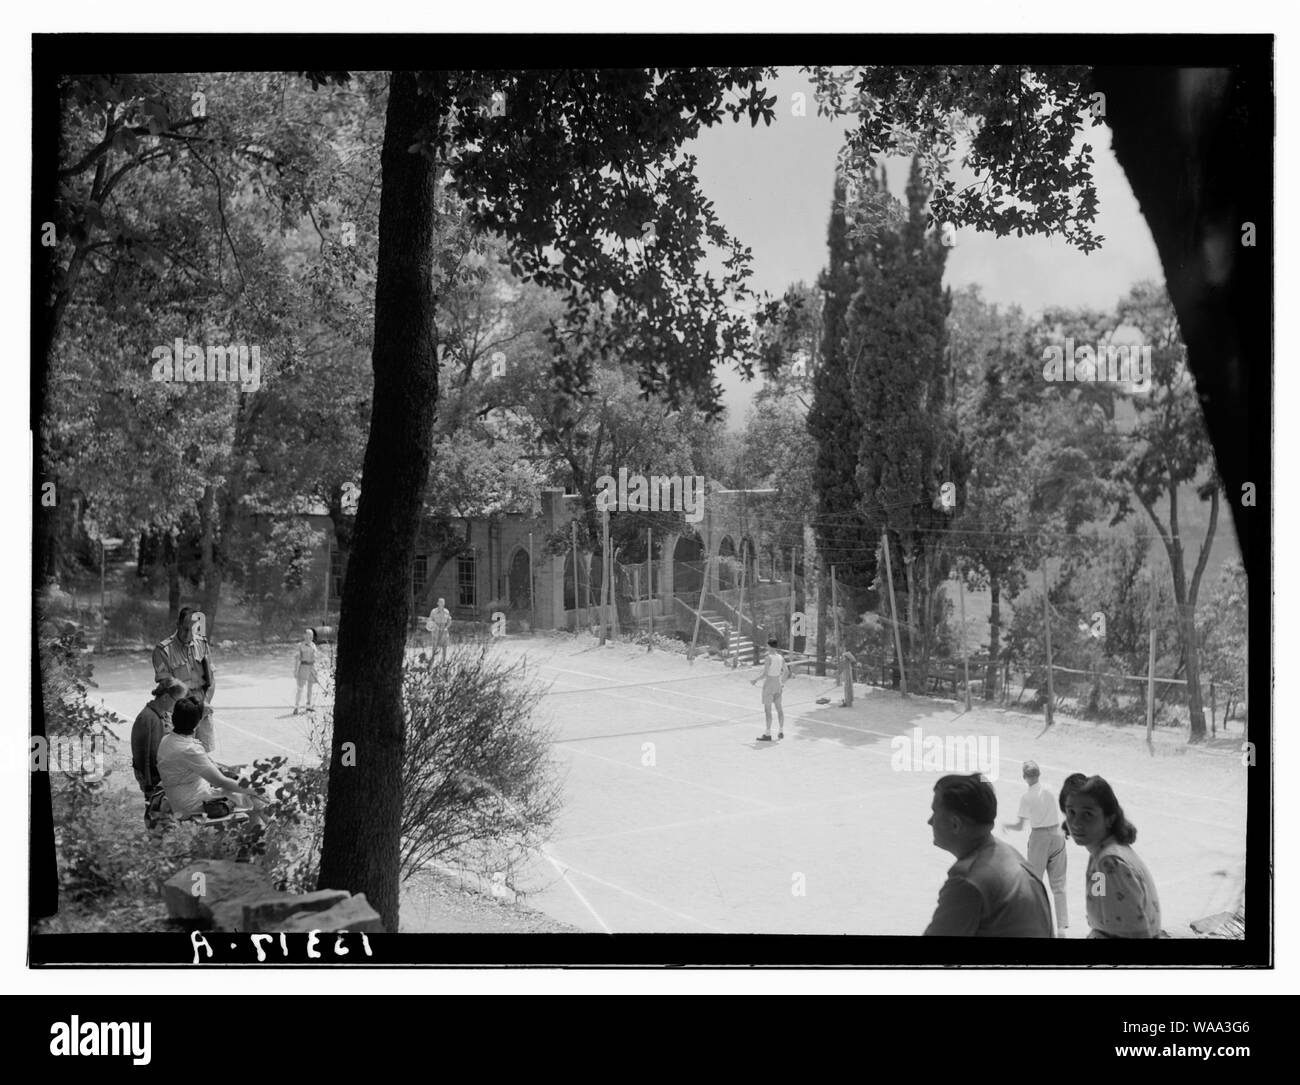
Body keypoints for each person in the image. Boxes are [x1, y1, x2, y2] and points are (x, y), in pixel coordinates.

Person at [924, 773, 1053, 937]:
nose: (930, 821)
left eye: (935, 812)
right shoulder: (1011, 855)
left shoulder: (968, 881)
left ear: (955, 824)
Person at [1065, 775, 1164, 938]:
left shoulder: (1111, 863)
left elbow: (1136, 933)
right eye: (1071, 812)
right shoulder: (1099, 854)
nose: (1076, 823)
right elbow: (1101, 906)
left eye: (1088, 814)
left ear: (1109, 818)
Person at [157, 695, 266, 824]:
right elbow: (222, 782)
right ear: (197, 722)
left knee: (242, 786)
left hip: (180, 797)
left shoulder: (167, 740)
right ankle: (264, 834)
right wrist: (256, 790)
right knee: (252, 795)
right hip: (193, 802)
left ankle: (261, 834)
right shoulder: (189, 749)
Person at [1003, 761, 1069, 935]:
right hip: (1057, 835)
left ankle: (1037, 925)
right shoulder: (1049, 789)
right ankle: (1062, 927)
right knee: (1059, 885)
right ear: (1039, 775)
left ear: (1025, 777)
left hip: (1039, 838)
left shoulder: (1026, 797)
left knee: (1035, 884)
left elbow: (1020, 826)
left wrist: (1008, 826)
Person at [153, 605, 216, 753]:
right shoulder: (163, 651)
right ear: (178, 625)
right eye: (185, 629)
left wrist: (204, 703)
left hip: (202, 704)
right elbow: (169, 685)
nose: (188, 634)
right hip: (179, 708)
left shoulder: (202, 644)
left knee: (204, 752)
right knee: (181, 753)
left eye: (192, 630)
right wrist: (195, 706)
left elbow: (211, 679)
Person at [131, 677, 187, 798]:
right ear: (166, 697)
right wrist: (149, 785)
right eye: (177, 701)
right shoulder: (147, 718)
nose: (179, 705)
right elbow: (143, 756)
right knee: (155, 808)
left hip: (164, 773)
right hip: (153, 779)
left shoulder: (165, 713)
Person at [750, 638, 791, 741]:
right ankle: (781, 730)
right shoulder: (780, 657)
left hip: (769, 684)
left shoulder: (768, 658)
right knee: (779, 709)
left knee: (768, 710)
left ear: (770, 646)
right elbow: (786, 672)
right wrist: (782, 683)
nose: (766, 647)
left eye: (767, 645)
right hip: (777, 683)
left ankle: (768, 734)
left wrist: (755, 680)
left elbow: (765, 674)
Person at [293, 627, 319, 714]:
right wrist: (295, 671)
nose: (309, 638)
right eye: (307, 636)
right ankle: (296, 706)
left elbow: (316, 657)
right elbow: (297, 659)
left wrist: (316, 669)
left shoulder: (313, 645)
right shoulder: (300, 646)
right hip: (303, 666)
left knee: (310, 687)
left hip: (312, 667)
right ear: (304, 636)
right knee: (300, 688)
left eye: (311, 636)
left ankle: (308, 705)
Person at [426, 597, 452, 664]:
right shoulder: (433, 611)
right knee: (435, 645)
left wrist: (446, 627)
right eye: (440, 602)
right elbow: (430, 620)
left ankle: (444, 661)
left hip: (444, 629)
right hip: (436, 629)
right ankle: (432, 661)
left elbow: (449, 621)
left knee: (444, 646)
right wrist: (434, 626)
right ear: (437, 603)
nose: (442, 603)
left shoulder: (446, 611)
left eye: (443, 602)